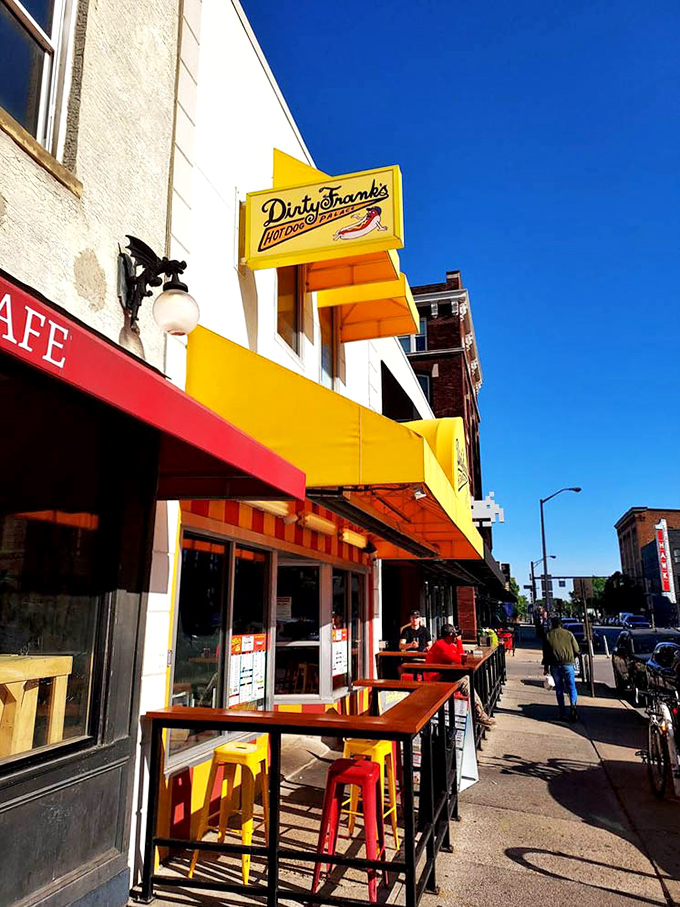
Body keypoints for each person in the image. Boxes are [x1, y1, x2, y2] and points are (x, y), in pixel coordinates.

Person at [424, 624, 495, 728]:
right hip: (435, 678)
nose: (455, 637)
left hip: (442, 674)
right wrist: (459, 641)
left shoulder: (448, 644)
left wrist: (458, 642)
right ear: (449, 635)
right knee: (465, 681)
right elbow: (459, 660)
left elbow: (460, 656)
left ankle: (479, 713)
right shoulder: (441, 645)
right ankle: (479, 715)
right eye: (454, 635)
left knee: (466, 678)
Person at [542, 616, 580, 722]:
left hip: (555, 665)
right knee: (572, 687)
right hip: (568, 664)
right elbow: (577, 650)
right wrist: (572, 657)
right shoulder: (569, 634)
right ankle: (573, 705)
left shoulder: (548, 635)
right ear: (561, 624)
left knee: (559, 689)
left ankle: (562, 713)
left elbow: (546, 654)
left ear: (552, 624)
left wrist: (546, 668)